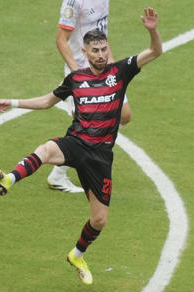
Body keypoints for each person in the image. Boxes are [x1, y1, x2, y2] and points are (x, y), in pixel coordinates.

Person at [0, 7, 162, 285]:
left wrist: (152, 30)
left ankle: (77, 255)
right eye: (96, 51)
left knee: (99, 221)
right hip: (77, 143)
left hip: (101, 157)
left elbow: (154, 52)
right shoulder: (76, 79)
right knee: (46, 150)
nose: (102, 55)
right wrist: (13, 102)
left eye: (104, 49)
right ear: (85, 52)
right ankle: (7, 179)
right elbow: (47, 101)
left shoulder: (120, 72)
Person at [50, 0, 132, 193]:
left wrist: (112, 67)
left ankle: (83, 156)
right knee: (87, 125)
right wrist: (77, 74)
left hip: (103, 67)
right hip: (83, 70)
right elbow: (61, 40)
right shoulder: (74, 2)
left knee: (125, 115)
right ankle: (59, 174)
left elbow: (100, 33)